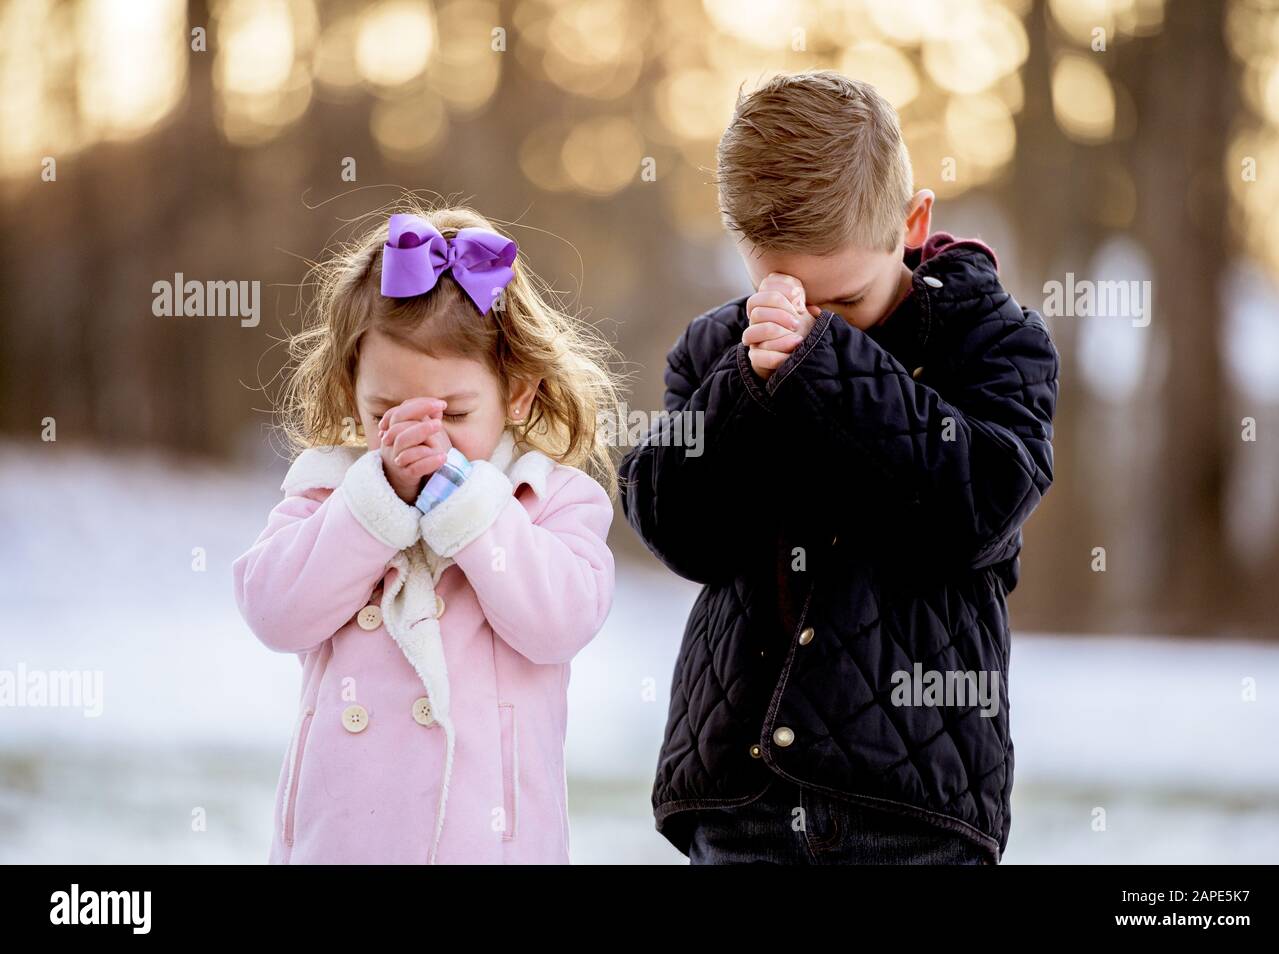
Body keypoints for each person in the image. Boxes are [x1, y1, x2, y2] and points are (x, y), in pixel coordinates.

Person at [619, 70, 1060, 864]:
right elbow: (681, 530)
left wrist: (828, 369)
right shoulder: (720, 351)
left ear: (913, 222)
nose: (812, 323)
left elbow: (982, 510)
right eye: (785, 291)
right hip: (740, 793)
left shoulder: (993, 340)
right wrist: (743, 394)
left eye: (846, 302)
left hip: (912, 806)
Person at [234, 204, 619, 863]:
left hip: (491, 845)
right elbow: (274, 613)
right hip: (342, 843)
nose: (420, 435)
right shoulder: (330, 492)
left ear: (518, 395)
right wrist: (370, 507)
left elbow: (561, 622)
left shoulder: (546, 502)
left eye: (456, 412)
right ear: (349, 388)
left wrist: (467, 508)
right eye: (386, 410)